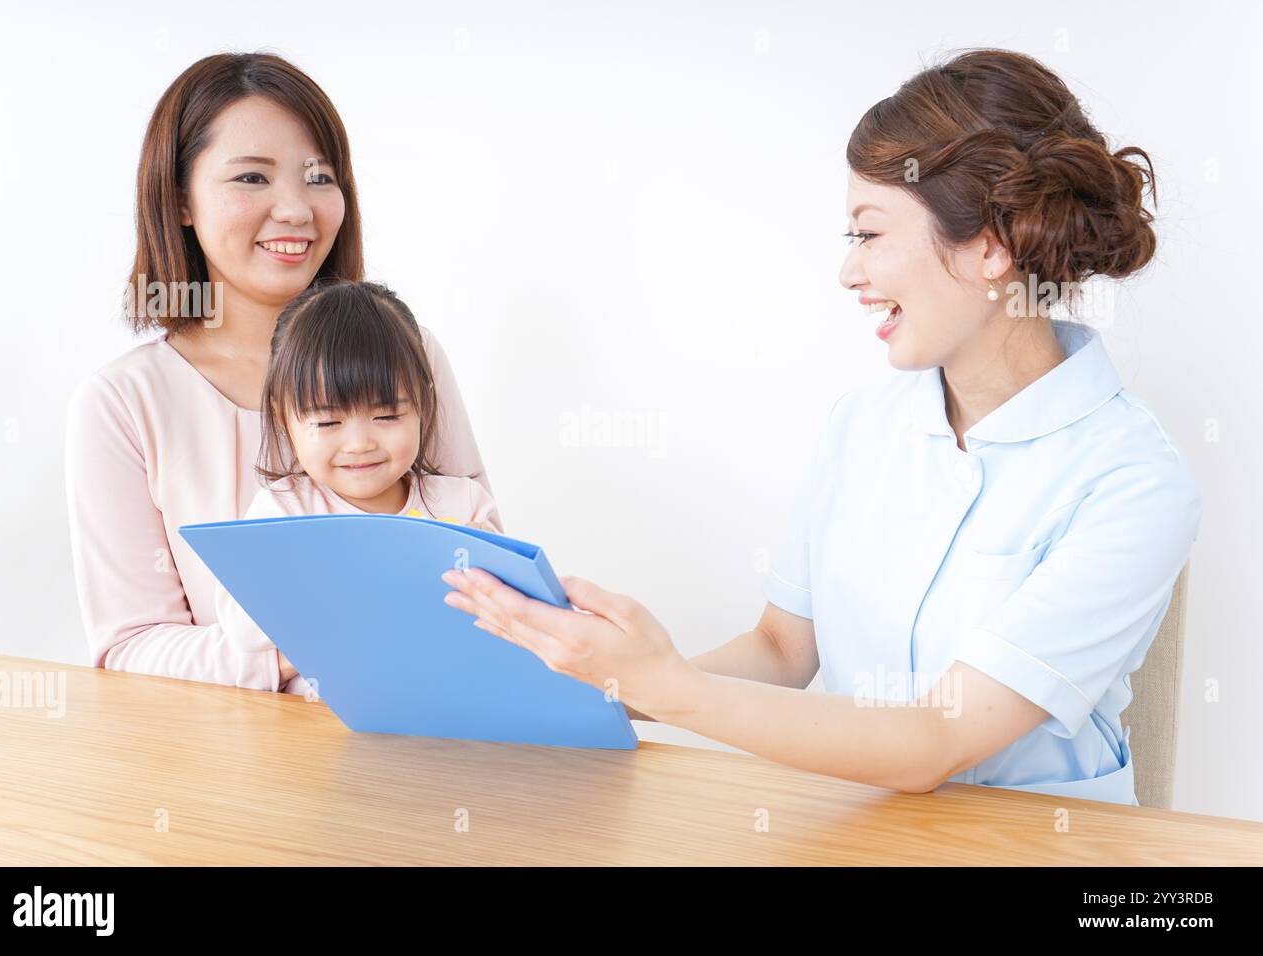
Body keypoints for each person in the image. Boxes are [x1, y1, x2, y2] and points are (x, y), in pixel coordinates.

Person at [442, 48, 1202, 805]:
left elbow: (933, 743)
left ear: (991, 247)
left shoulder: (1133, 480)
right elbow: (782, 649)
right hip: (862, 834)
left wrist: (665, 685)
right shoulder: (862, 427)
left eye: (869, 235)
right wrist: (596, 679)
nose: (850, 273)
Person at [66, 53, 494, 693]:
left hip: (431, 746)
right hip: (234, 770)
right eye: (251, 178)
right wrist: (313, 644)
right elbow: (131, 648)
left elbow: (487, 580)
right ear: (180, 200)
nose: (295, 208)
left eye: (319, 177)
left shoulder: (411, 353)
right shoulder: (124, 402)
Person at [214, 280, 501, 693]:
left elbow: (500, 621)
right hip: (318, 737)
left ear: (424, 404)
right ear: (283, 419)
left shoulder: (463, 504)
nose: (359, 444)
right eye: (328, 422)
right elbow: (246, 632)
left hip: (444, 715)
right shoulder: (284, 512)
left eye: (386, 417)